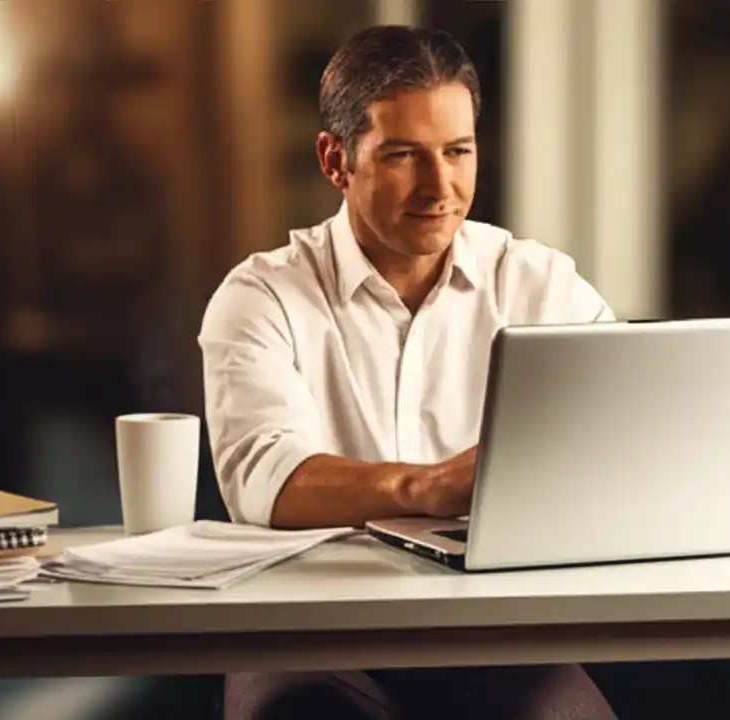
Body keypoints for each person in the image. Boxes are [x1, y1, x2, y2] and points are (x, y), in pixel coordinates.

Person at [198, 24, 617, 719]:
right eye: (402, 155)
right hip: (307, 634)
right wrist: (427, 487)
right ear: (336, 160)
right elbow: (265, 482)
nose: (439, 185)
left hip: (497, 635)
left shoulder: (537, 282)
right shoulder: (261, 295)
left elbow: (624, 425)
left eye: (458, 151)